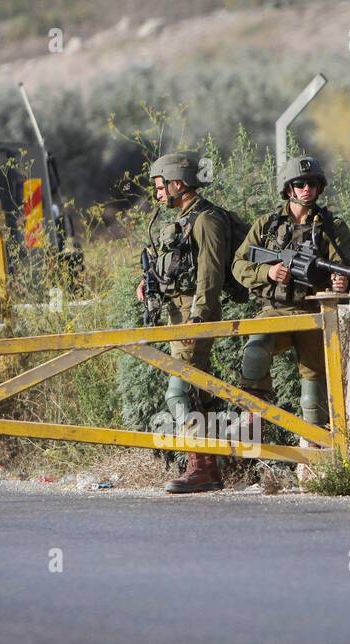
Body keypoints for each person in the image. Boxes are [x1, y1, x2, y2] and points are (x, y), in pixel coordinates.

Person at [231, 155, 350, 431]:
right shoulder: (267, 225)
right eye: (299, 183)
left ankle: (314, 452)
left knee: (314, 395)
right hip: (275, 309)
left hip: (315, 312)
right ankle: (254, 419)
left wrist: (340, 285)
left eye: (312, 183)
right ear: (289, 188)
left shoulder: (331, 226)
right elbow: (238, 264)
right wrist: (268, 273)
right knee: (254, 354)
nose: (306, 189)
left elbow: (345, 269)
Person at [137, 151, 232, 493]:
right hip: (177, 313)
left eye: (161, 186)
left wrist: (197, 317)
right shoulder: (183, 219)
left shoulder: (206, 220)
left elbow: (210, 274)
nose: (158, 193)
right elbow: (179, 266)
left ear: (178, 183)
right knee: (194, 391)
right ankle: (208, 466)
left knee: (182, 392)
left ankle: (201, 467)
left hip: (193, 314)